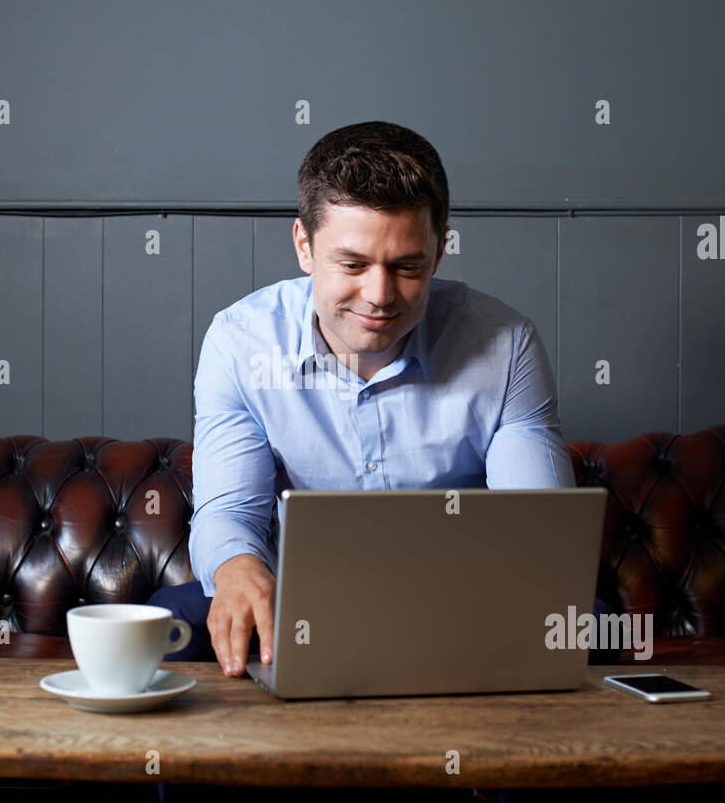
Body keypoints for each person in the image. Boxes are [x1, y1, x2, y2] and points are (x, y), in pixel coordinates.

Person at [149, 120, 611, 676]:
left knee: (593, 628)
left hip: (465, 602)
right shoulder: (239, 342)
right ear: (304, 245)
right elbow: (230, 511)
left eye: (407, 267)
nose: (379, 296)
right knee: (168, 625)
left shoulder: (506, 345)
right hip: (300, 601)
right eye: (352, 264)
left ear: (438, 253)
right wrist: (240, 570)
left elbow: (539, 529)